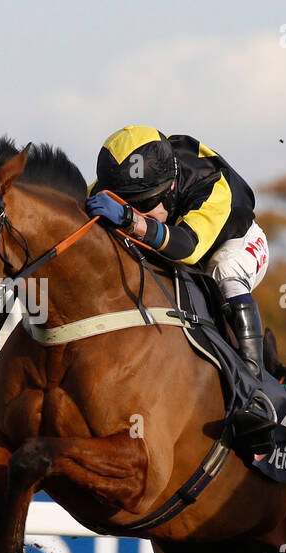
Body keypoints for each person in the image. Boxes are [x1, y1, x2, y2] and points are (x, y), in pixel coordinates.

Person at [84, 125, 271, 399]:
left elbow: (189, 249)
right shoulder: (116, 181)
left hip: (231, 242)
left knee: (226, 273)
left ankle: (252, 390)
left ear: (170, 186)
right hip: (177, 239)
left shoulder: (210, 183)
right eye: (126, 202)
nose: (136, 210)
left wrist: (132, 221)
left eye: (143, 203)